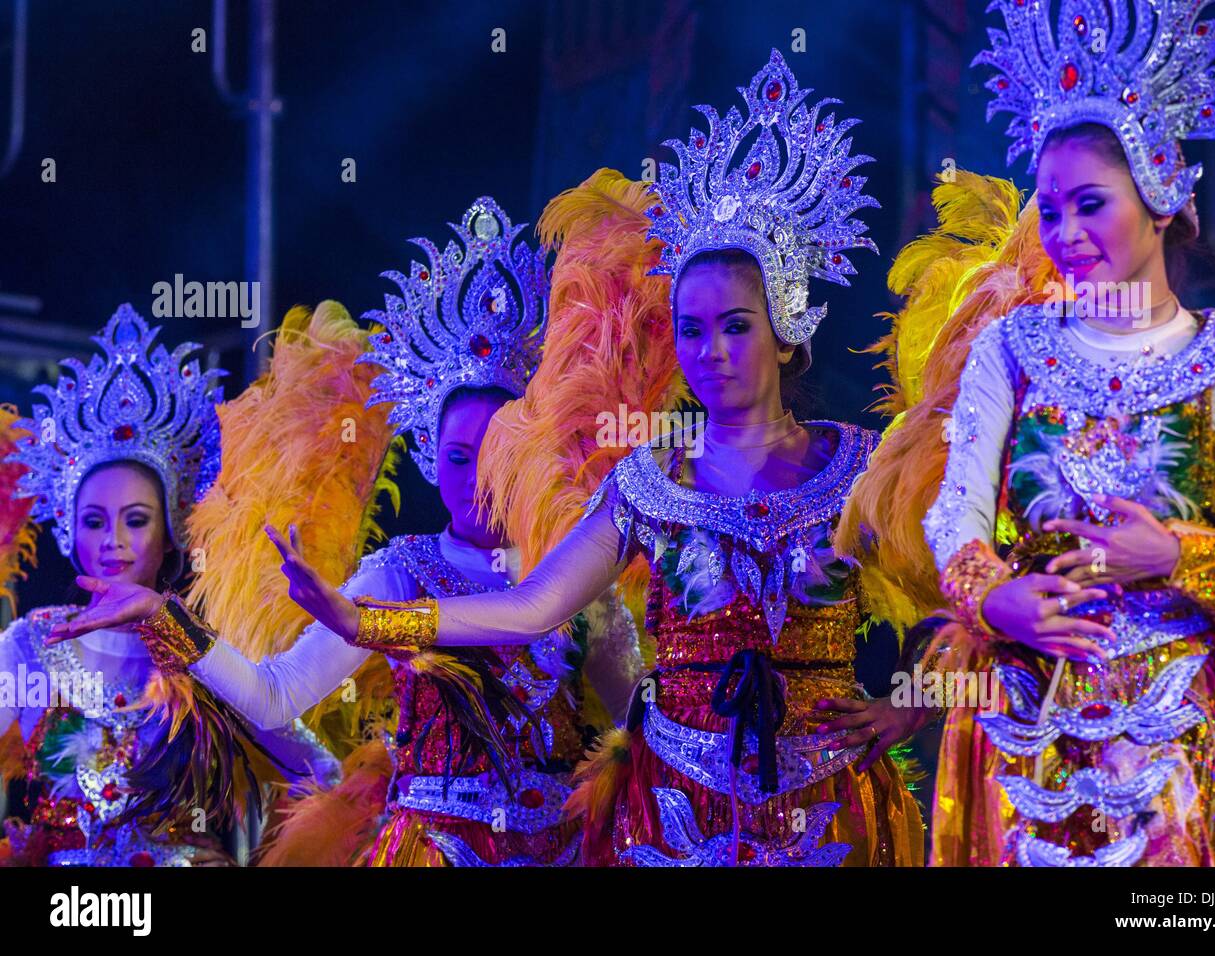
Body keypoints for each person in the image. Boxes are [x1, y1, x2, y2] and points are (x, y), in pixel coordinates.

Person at [265, 50, 926, 867]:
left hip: (828, 806)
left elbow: (952, 594)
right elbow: (534, 606)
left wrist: (911, 703)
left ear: (786, 330)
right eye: (690, 329)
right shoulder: (648, 482)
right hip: (677, 816)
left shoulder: (859, 467)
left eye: (736, 326)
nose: (711, 351)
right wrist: (366, 622)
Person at [50, 201, 643, 867]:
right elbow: (275, 696)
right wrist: (166, 617)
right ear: (426, 457)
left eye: (499, 447)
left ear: (529, 447)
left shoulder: (573, 580)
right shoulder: (400, 572)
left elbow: (639, 728)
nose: (478, 474)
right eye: (457, 456)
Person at [907, 0, 1215, 865]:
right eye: (1051, 211)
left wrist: (1182, 559)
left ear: (1161, 199)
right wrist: (992, 596)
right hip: (1024, 712)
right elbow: (954, 514)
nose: (1066, 235)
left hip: (1184, 722)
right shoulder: (1009, 346)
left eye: (1090, 204)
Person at [0, 305, 334, 866]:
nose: (114, 541)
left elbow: (321, 772)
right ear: (67, 531)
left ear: (171, 531)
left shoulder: (205, 652)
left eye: (135, 520)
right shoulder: (31, 646)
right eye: (94, 521)